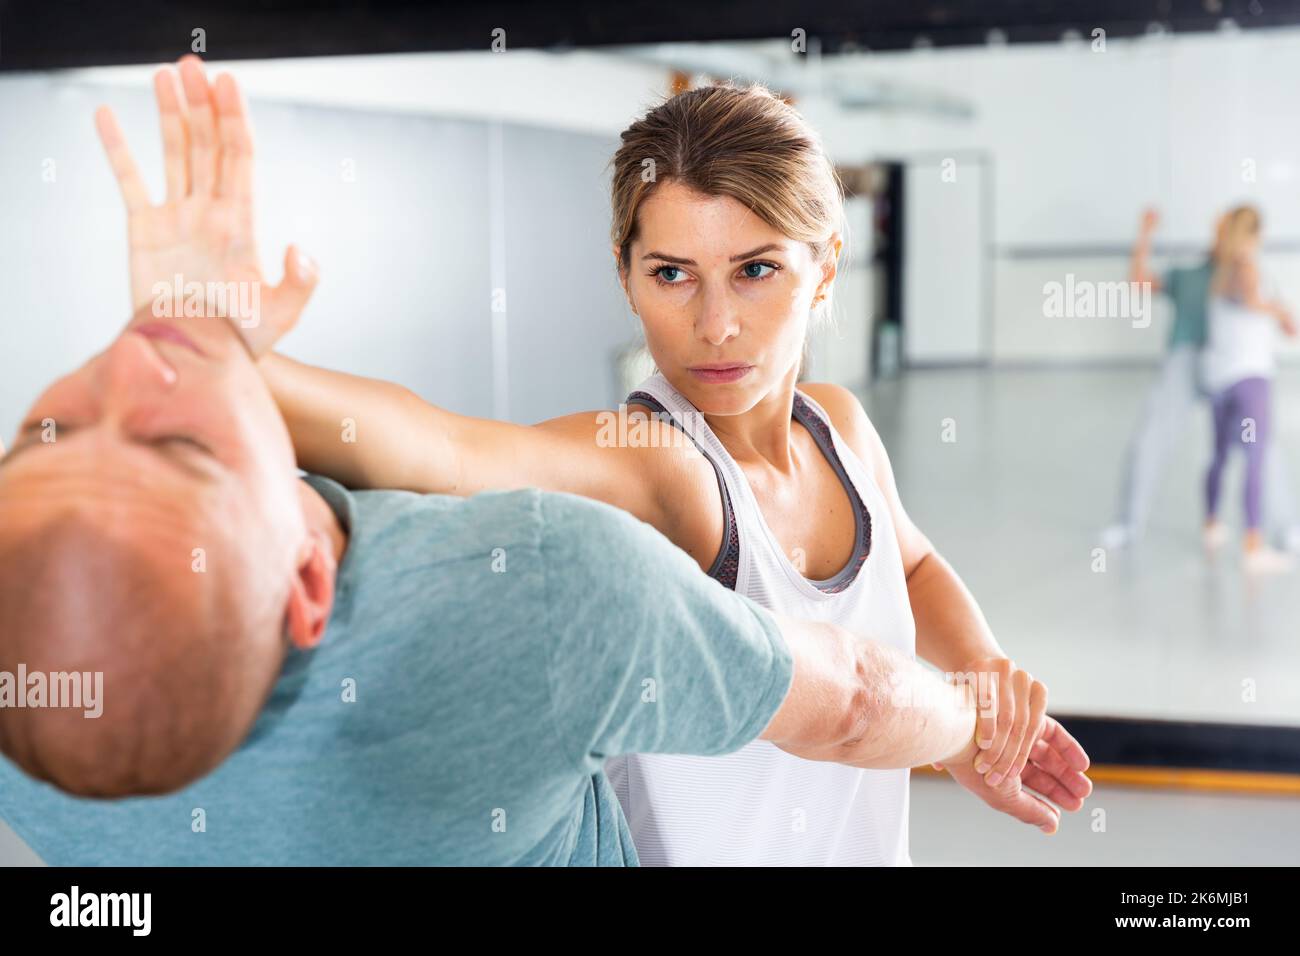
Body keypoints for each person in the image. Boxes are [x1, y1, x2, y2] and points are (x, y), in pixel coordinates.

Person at [0, 59, 1092, 866]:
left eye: (755, 269)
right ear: (625, 274)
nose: (714, 321)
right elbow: (434, 443)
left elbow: (908, 565)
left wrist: (983, 685)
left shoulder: (841, 426)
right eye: (671, 273)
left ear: (824, 267)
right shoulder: (655, 463)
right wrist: (205, 336)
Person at [1103, 206, 1298, 552]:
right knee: (1151, 437)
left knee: (1259, 446)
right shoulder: (1189, 274)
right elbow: (1138, 280)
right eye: (1220, 231)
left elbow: (1266, 307)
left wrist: (1280, 315)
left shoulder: (1243, 270)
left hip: (1232, 370)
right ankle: (1128, 524)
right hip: (1188, 362)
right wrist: (1145, 233)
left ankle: (1284, 528)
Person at [1199, 206, 1298, 572]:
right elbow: (1250, 298)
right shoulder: (1245, 266)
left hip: (1221, 377)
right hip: (1250, 377)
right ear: (1255, 234)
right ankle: (1253, 545)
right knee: (1256, 457)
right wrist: (1282, 314)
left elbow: (1245, 299)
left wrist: (1277, 312)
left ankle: (1211, 523)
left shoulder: (1220, 266)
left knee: (1220, 454)